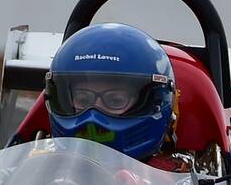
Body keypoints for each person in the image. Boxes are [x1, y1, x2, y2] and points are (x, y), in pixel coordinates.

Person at [43, 22, 185, 168]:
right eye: (83, 99)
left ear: (155, 101)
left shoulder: (174, 181)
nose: (92, 119)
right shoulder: (38, 168)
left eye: (115, 101)